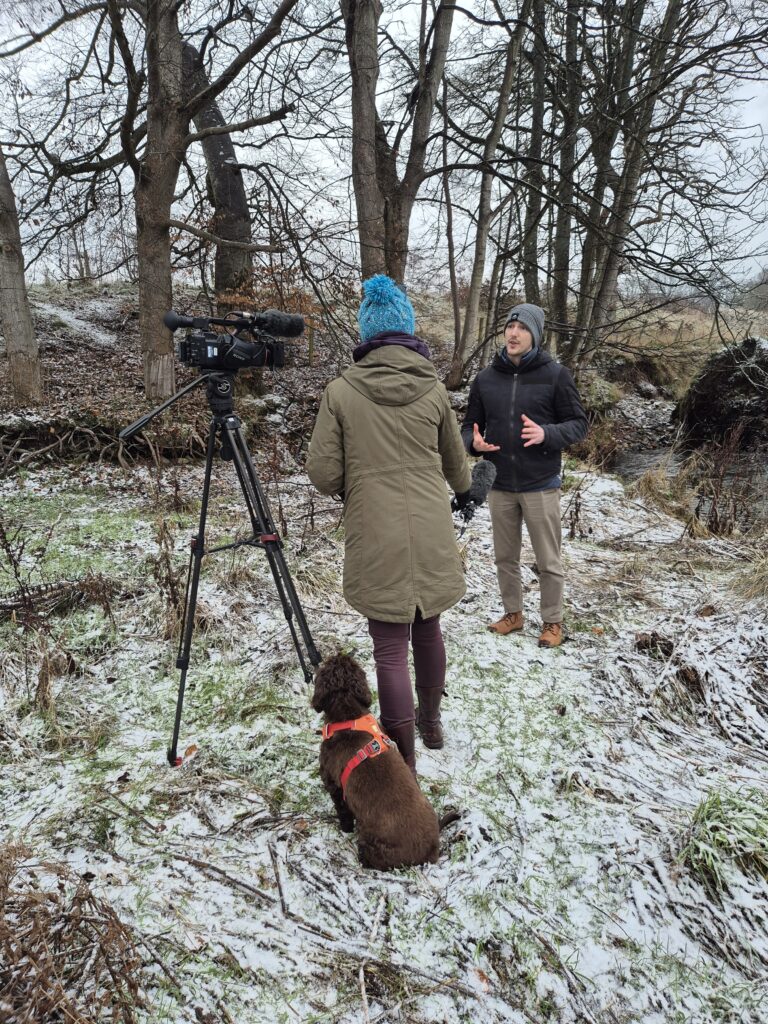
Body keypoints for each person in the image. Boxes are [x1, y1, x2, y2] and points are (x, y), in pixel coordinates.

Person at [306, 274, 471, 772]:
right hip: (431, 527)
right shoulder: (434, 389)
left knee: (390, 649)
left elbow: (322, 473)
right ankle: (432, 721)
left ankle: (404, 761)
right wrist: (463, 490)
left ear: (366, 333)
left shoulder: (341, 391)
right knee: (429, 630)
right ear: (408, 329)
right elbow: (457, 466)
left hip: (375, 531)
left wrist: (354, 485)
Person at [461, 302, 588, 648]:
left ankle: (552, 621)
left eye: (522, 328)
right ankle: (513, 614)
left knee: (548, 559)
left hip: (540, 483)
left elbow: (579, 425)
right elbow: (468, 429)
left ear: (535, 335)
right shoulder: (485, 379)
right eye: (509, 327)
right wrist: (473, 444)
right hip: (500, 484)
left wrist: (547, 434)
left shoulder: (556, 375)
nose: (513, 333)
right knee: (505, 557)